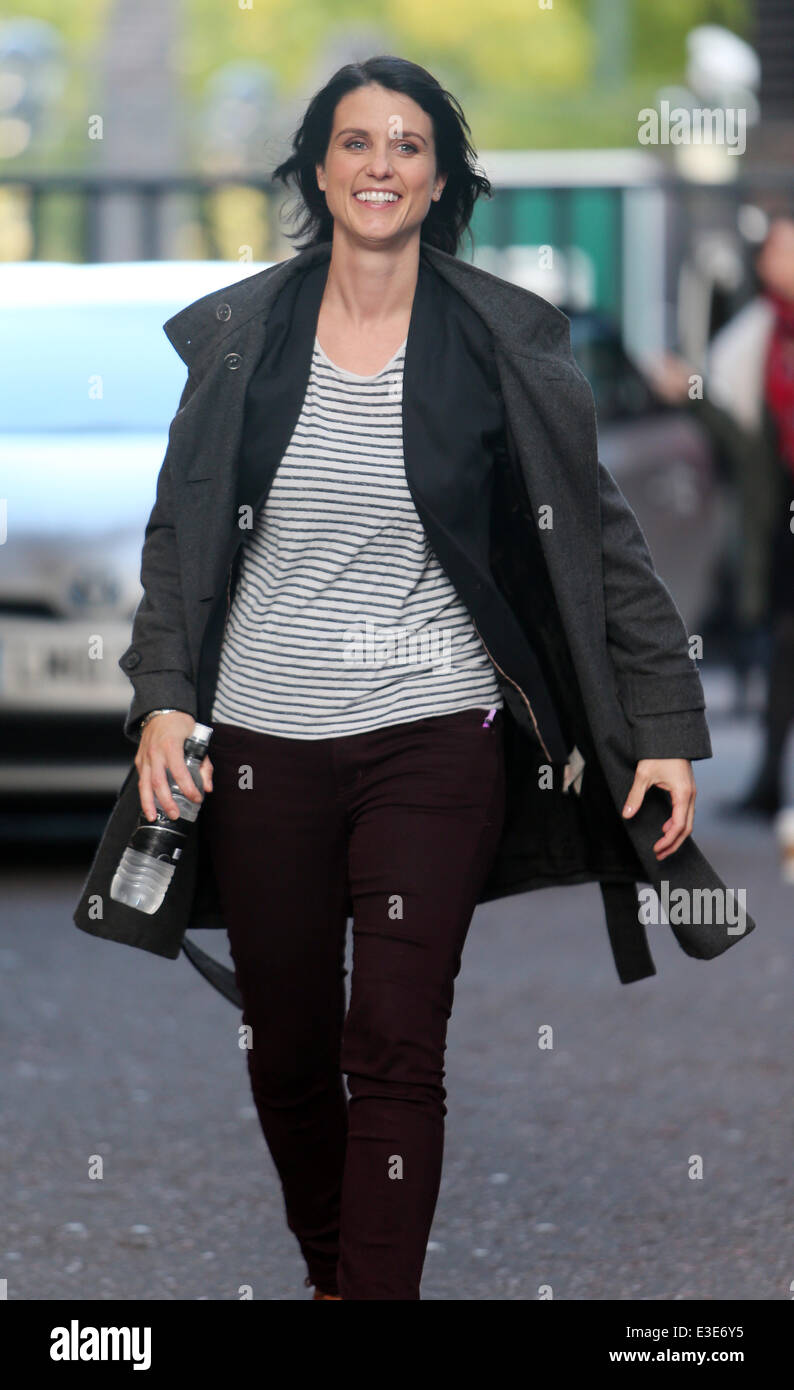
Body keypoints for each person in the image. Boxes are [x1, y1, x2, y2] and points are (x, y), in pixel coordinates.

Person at [107, 56, 722, 1301]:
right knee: (286, 1044)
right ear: (317, 170)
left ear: (439, 178)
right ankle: (336, 1270)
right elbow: (177, 538)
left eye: (405, 144)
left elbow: (596, 535)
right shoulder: (242, 341)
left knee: (394, 1043)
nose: (378, 163)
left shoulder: (498, 340)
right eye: (354, 142)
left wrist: (660, 718)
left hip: (432, 736)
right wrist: (166, 693)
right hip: (266, 743)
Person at [647, 217, 794, 817]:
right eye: (785, 246)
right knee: (786, 645)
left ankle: (766, 784)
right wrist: (691, 393)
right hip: (781, 516)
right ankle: (767, 782)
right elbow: (744, 448)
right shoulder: (751, 341)